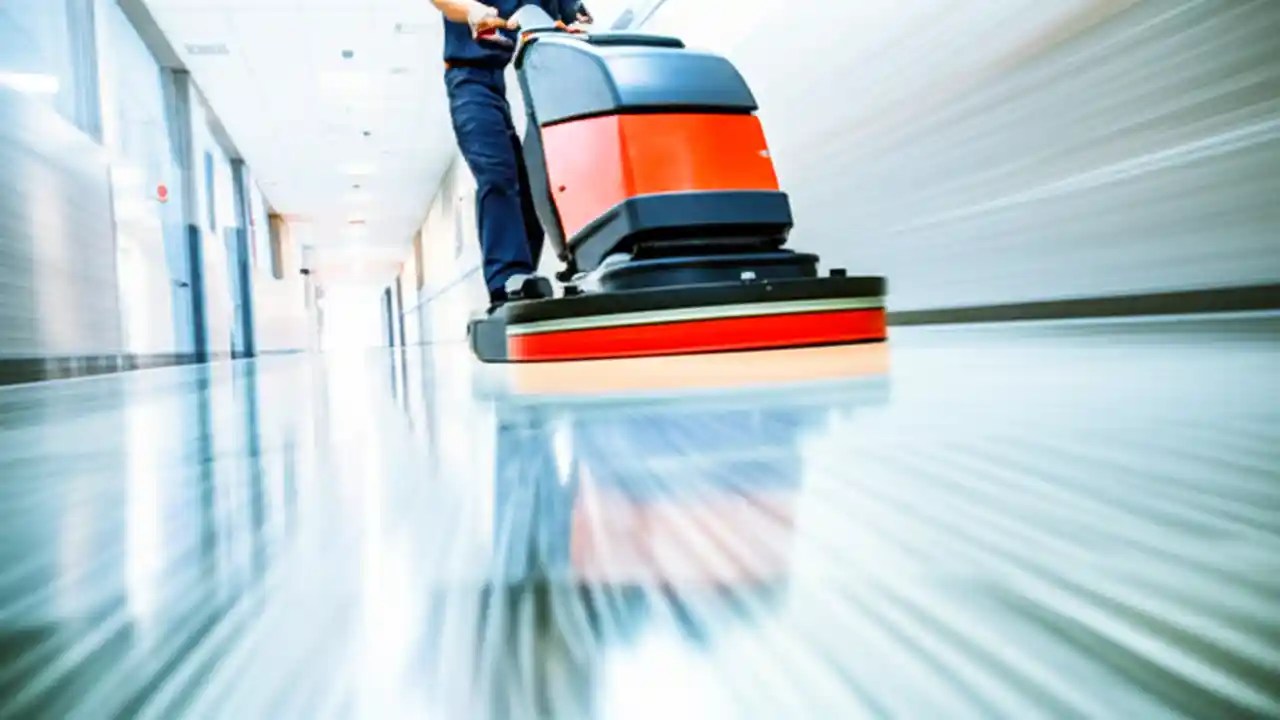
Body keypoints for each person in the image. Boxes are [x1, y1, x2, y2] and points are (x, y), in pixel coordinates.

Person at [428, 1, 589, 310]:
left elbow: (560, 13)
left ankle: (532, 274)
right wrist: (471, 11)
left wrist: (574, 11)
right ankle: (506, 281)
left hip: (520, 72)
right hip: (470, 78)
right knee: (496, 172)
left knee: (537, 179)